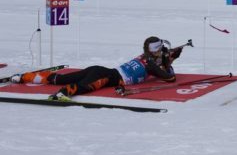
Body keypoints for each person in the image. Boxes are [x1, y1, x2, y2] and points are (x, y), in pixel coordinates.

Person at [12, 36, 183, 101]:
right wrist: (170, 61)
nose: (162, 52)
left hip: (101, 70)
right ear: (156, 51)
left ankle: (23, 77)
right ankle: (62, 94)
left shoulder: (145, 57)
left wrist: (168, 58)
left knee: (60, 78)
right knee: (84, 87)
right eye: (160, 50)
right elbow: (169, 78)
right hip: (108, 77)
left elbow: (158, 67)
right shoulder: (151, 64)